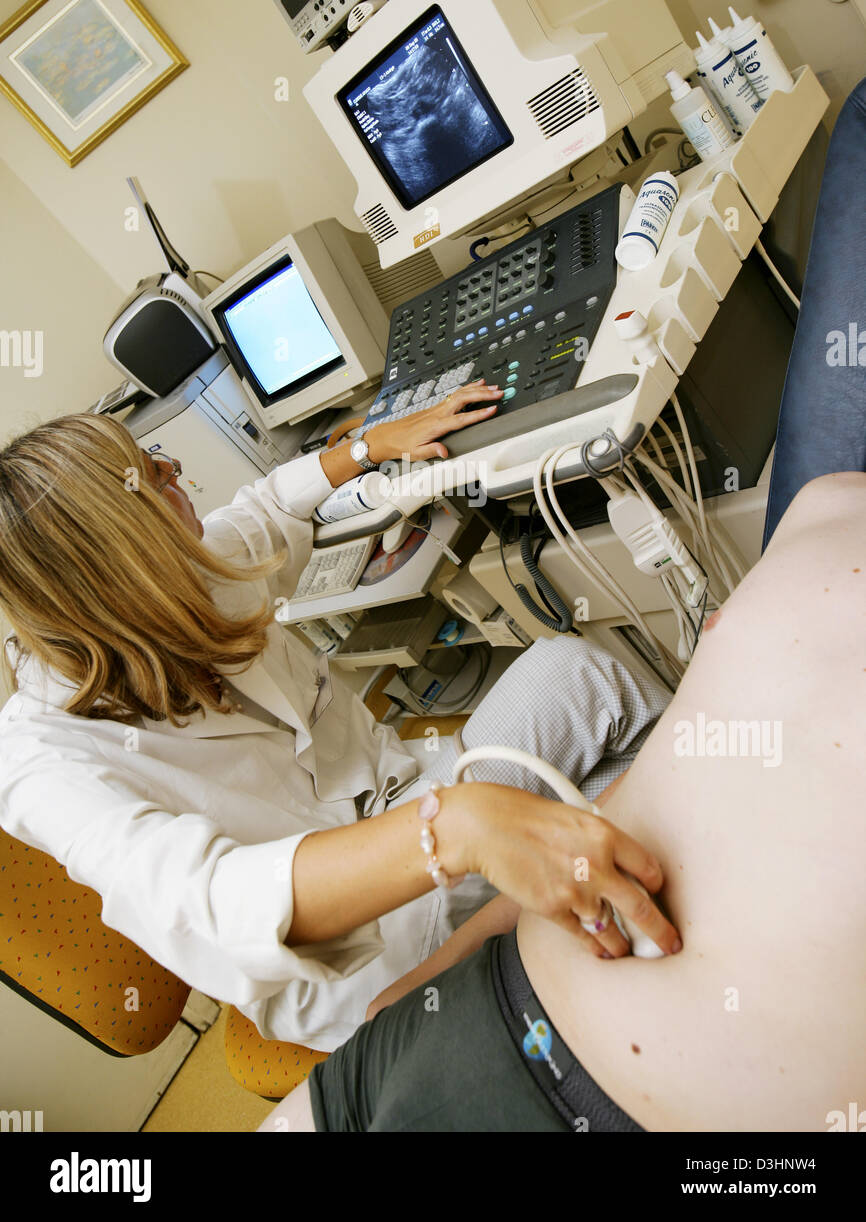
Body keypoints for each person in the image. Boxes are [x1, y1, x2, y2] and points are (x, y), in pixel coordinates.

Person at [0, 383, 673, 1053]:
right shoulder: (42, 763)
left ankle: (501, 931)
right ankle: (453, 981)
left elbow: (264, 511)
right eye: (156, 477)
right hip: (359, 948)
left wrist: (365, 446)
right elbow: (207, 901)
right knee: (601, 742)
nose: (179, 478)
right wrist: (455, 829)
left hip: (406, 804)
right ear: (125, 550)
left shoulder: (175, 578)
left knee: (587, 726)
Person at [259, 467, 866, 1131]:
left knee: (823, 496)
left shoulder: (355, 1087)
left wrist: (452, 954)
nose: (175, 472)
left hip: (484, 961)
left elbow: (394, 1011)